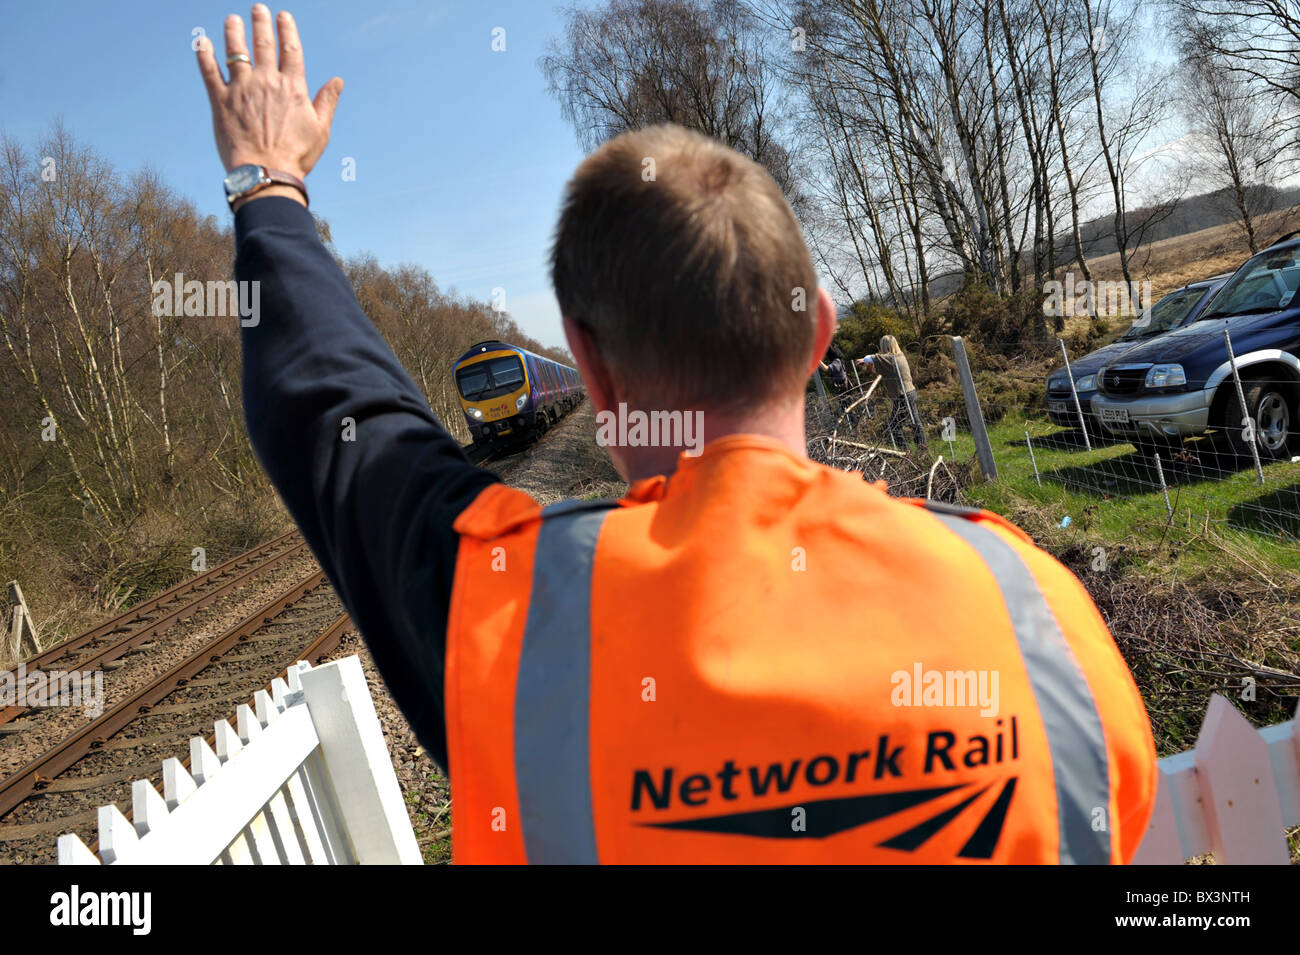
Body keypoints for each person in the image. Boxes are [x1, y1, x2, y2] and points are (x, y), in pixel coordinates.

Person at [195, 7, 1157, 864]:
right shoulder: (1038, 608)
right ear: (819, 330)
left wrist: (268, 186)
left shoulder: (518, 621)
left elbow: (336, 417)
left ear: (592, 369)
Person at [858, 336, 928, 451]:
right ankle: (922, 450)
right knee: (915, 422)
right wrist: (870, 363)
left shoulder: (891, 358)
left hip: (903, 396)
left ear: (884, 346)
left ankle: (905, 453)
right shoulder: (900, 356)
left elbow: (870, 358)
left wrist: (864, 360)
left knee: (895, 427)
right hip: (910, 392)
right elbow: (875, 363)